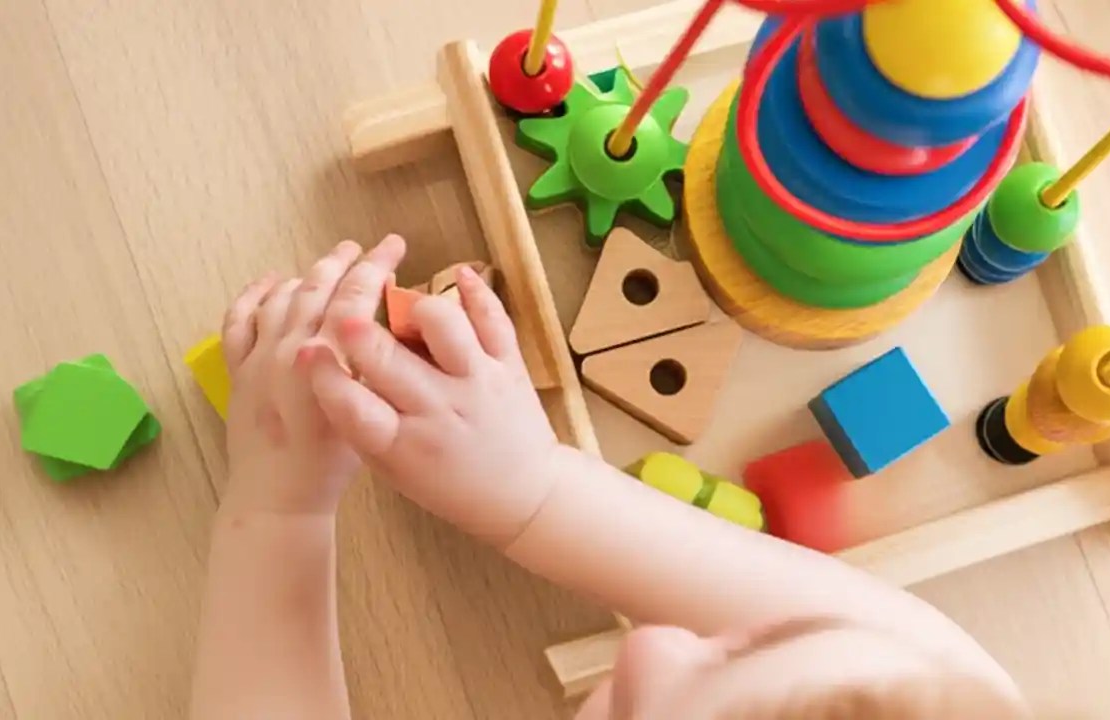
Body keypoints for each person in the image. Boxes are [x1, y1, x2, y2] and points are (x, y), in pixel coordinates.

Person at [190, 236, 1030, 719]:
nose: (654, 644)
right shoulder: (946, 691)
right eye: (747, 642)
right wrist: (531, 487)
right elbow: (893, 641)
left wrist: (279, 511)